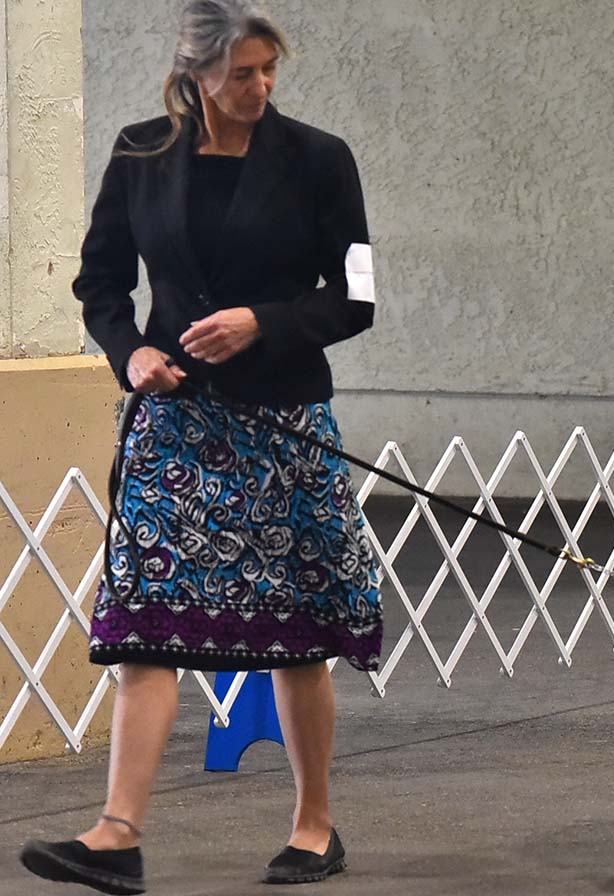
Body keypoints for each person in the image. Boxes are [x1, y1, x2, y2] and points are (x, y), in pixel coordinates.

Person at [19, 1, 382, 892]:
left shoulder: (321, 159)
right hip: (173, 428)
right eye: (241, 74)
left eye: (268, 72)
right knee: (140, 629)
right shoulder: (139, 154)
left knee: (301, 640)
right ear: (195, 77)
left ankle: (314, 826)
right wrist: (131, 350)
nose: (259, 88)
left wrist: (267, 321)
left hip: (283, 431)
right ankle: (118, 833)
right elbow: (99, 282)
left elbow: (359, 297)